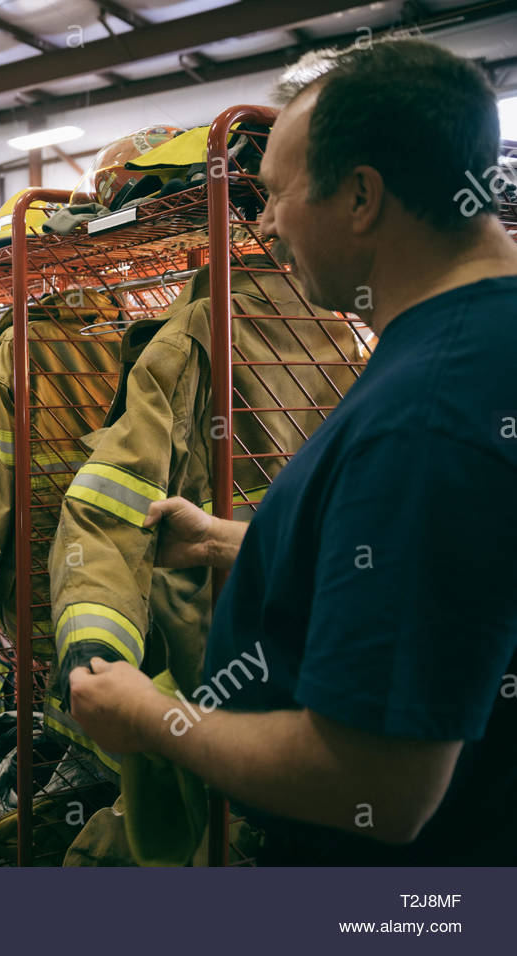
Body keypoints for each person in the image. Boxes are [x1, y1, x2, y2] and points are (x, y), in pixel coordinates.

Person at [66, 39, 517, 864]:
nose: (265, 223)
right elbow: (442, 579)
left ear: (360, 197)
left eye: (274, 195)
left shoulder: (426, 413)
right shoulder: (475, 343)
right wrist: (231, 540)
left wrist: (150, 717)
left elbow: (377, 786)